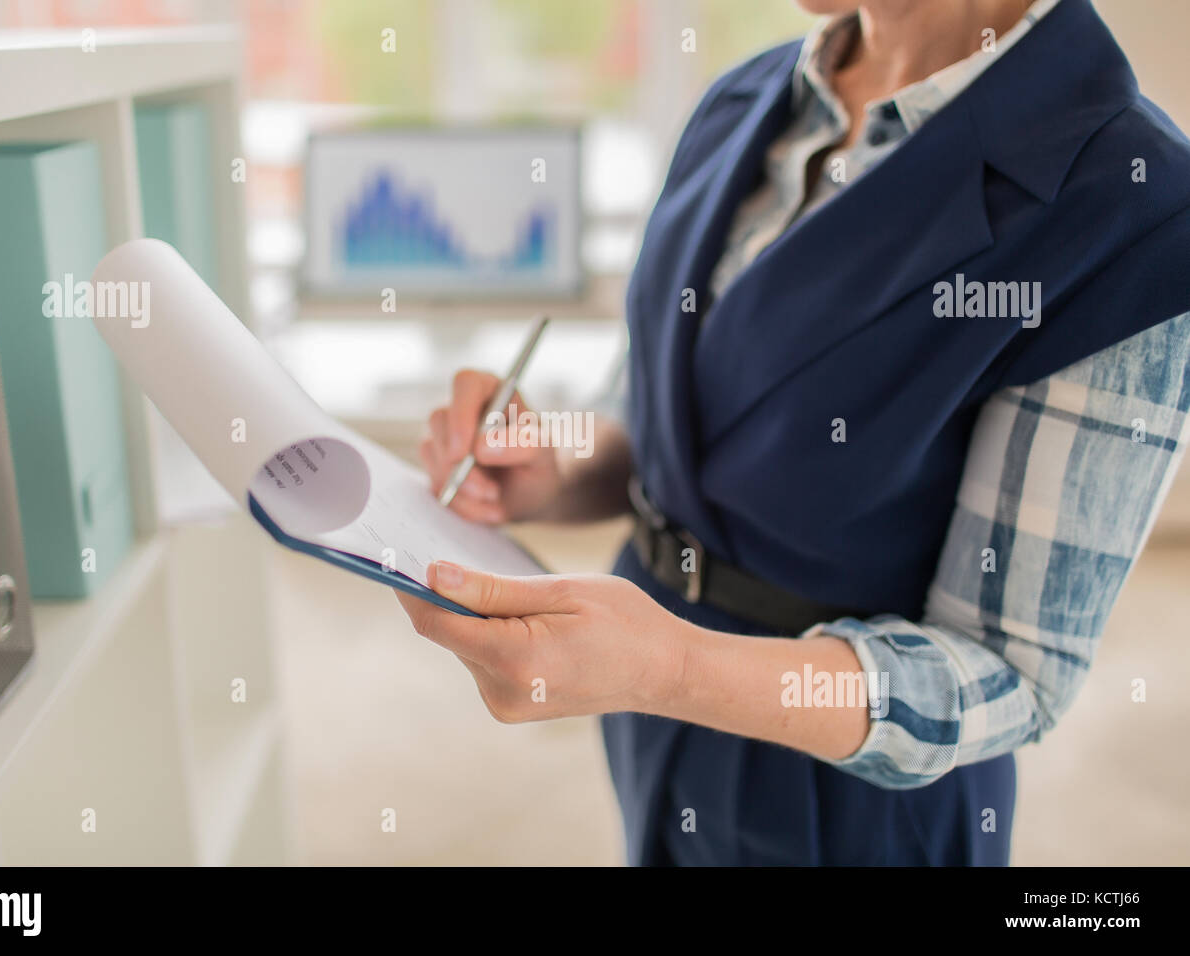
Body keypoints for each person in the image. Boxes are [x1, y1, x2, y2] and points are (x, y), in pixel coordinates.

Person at [395, 0, 1190, 865]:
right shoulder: (745, 99)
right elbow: (659, 413)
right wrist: (555, 463)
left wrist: (670, 668)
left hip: (852, 799)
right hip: (654, 718)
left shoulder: (1135, 211)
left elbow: (1009, 673)